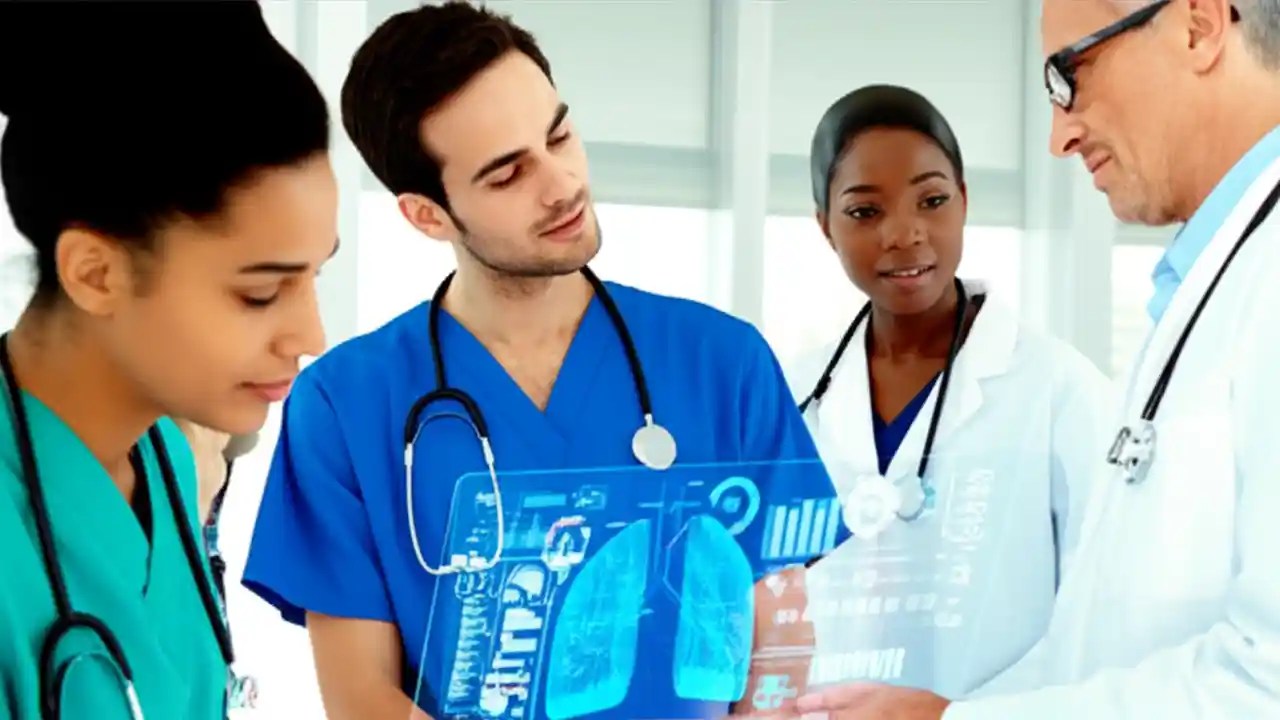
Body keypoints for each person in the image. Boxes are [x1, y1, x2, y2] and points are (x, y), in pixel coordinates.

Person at [239, 3, 842, 719]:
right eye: (507, 174)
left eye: (559, 136)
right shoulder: (345, 403)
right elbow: (362, 695)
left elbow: (780, 635)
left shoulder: (723, 362)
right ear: (428, 215)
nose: (561, 185)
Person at [793, 0, 1280, 718]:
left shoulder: (1074, 378)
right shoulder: (1211, 285)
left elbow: (1264, 681)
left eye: (1070, 74)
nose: (1059, 137)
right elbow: (1091, 646)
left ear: (1197, 25)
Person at [0, 2, 336, 718]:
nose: (311, 335)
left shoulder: (168, 463)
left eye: (315, 276)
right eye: (260, 293)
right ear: (96, 273)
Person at [776, 84, 1111, 701]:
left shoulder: (1060, 391)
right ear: (825, 227)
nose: (905, 234)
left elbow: (1102, 618)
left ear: (964, 201)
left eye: (931, 201)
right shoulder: (791, 396)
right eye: (864, 212)